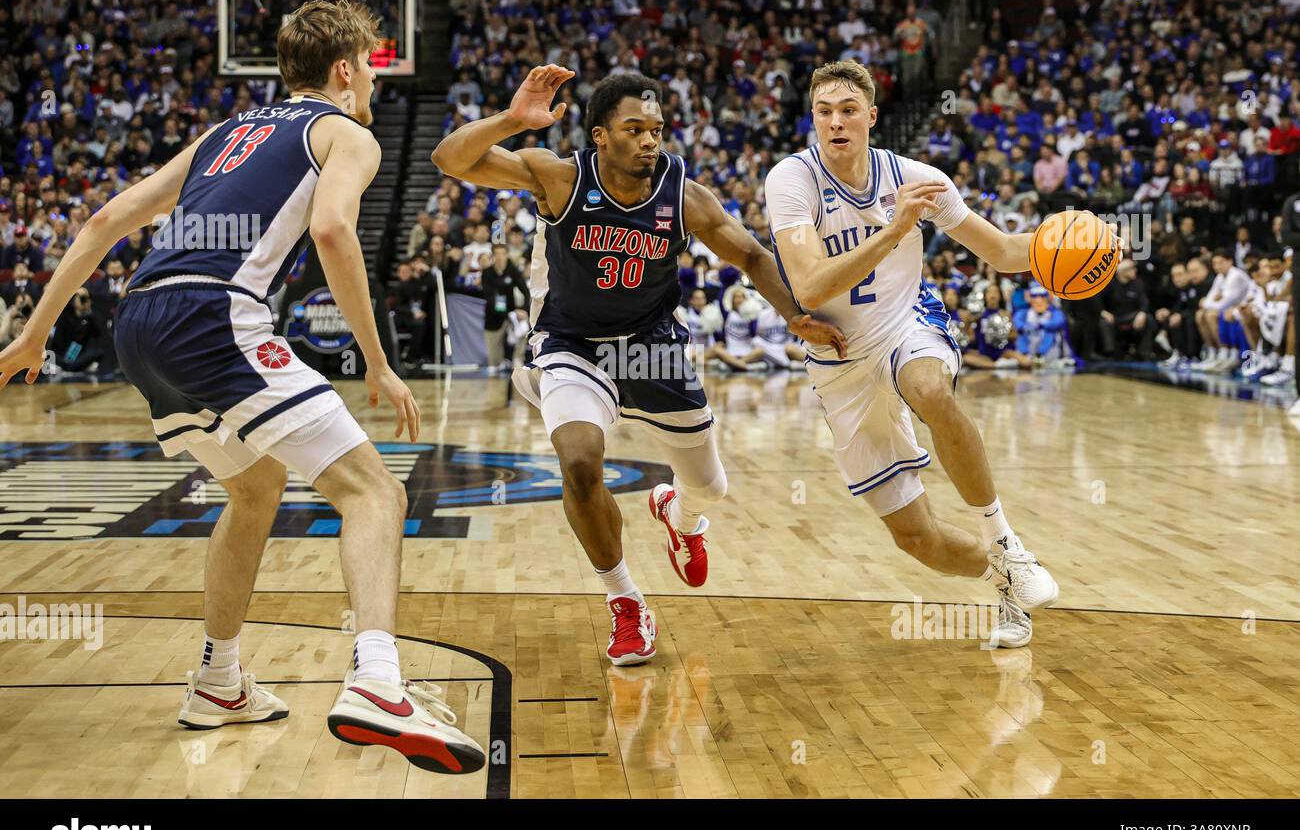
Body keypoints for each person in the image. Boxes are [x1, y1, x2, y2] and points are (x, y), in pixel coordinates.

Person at [0, 0, 485, 776]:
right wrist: (378, 359)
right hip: (212, 316)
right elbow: (331, 231)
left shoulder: (223, 133)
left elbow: (102, 223)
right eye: (370, 67)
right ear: (342, 70)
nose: (373, 83)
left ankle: (218, 681)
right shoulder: (345, 132)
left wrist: (34, 334)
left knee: (255, 490)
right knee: (374, 493)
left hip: (140, 324)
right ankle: (378, 681)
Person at [432, 66, 845, 665]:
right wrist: (513, 120)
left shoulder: (683, 195)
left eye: (657, 129)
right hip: (571, 346)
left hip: (653, 347)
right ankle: (626, 601)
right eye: (634, 129)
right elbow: (450, 159)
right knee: (577, 464)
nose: (650, 140)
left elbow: (753, 255)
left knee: (710, 487)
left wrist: (794, 316)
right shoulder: (558, 176)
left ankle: (679, 514)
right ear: (601, 136)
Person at [765, 59, 1078, 649]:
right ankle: (1003, 576)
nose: (836, 122)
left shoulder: (919, 178)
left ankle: (1006, 539)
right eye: (824, 112)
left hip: (907, 321)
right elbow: (809, 286)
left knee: (929, 388)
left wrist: (1074, 241)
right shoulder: (791, 180)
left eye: (848, 110)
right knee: (917, 539)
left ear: (871, 118)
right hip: (839, 364)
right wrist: (892, 229)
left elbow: (1005, 251)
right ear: (812, 119)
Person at [480, 243, 526, 370]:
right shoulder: (487, 273)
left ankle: (518, 359)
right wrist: (507, 314)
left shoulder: (513, 270)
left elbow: (525, 291)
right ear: (493, 256)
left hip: (511, 312)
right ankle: (498, 364)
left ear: (507, 255)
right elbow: (490, 299)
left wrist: (524, 310)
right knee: (493, 363)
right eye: (497, 254)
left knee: (524, 324)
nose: (500, 257)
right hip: (494, 315)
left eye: (503, 253)